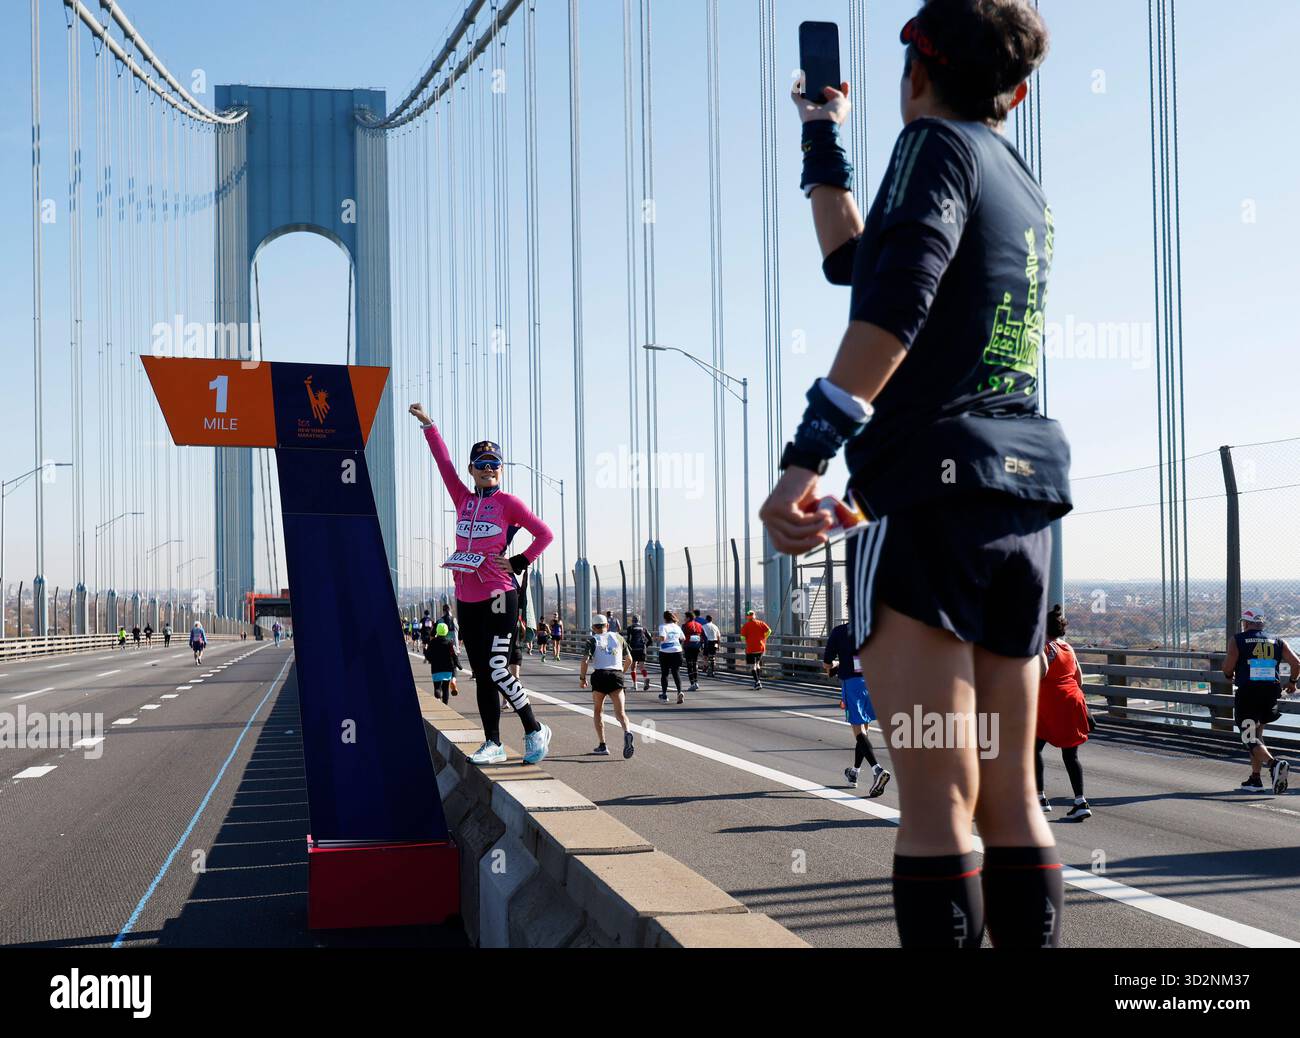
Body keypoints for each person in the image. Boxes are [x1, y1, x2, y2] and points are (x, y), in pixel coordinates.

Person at [760, 0, 1072, 948]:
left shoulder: (933, 146)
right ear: (1015, 91)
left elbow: (891, 306)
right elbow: (859, 260)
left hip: (926, 495)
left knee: (936, 805)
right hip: (1020, 509)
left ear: (916, 72)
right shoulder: (1018, 182)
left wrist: (804, 460)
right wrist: (822, 138)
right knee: (1010, 794)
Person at [410, 403, 554, 766]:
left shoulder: (509, 503)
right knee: (481, 673)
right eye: (481, 464)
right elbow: (443, 464)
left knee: (497, 668)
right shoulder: (462, 499)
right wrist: (430, 426)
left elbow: (544, 534)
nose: (488, 470)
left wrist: (521, 561)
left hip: (500, 596)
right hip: (466, 599)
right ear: (471, 470)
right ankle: (494, 743)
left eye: (494, 465)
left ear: (501, 470)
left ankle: (534, 728)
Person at [1222, 609, 1295, 794]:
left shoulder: (1237, 639)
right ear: (1262, 623)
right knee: (1257, 733)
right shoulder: (1278, 641)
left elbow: (1228, 667)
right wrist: (1292, 682)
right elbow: (1297, 663)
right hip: (1270, 692)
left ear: (1246, 623)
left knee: (1248, 735)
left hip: (1248, 693)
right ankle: (1255, 779)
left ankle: (1274, 764)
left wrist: (1229, 674)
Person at [825, 621, 891, 797]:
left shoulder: (839, 631)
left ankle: (878, 770)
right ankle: (854, 772)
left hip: (852, 683)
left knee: (857, 729)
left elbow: (827, 662)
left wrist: (832, 668)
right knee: (865, 729)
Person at [580, 615, 636, 759]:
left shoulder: (593, 640)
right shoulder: (618, 637)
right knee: (620, 713)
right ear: (607, 625)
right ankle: (627, 731)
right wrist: (621, 672)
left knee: (598, 711)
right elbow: (630, 659)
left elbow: (585, 660)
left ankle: (603, 745)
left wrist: (582, 678)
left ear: (593, 627)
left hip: (599, 676)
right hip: (616, 675)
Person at [424, 622, 459, 705]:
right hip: (447, 669)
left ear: (437, 631)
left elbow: (428, 656)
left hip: (436, 669)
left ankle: (438, 696)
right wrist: (457, 664)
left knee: (437, 687)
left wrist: (427, 654)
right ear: (446, 631)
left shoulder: (432, 642)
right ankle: (445, 704)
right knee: (445, 688)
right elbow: (454, 655)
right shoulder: (449, 642)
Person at [657, 611, 686, 704]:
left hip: (665, 652)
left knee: (664, 673)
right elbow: (683, 638)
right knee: (676, 672)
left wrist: (656, 638)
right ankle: (679, 692)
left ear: (665, 618)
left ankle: (664, 695)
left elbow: (662, 638)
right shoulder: (677, 627)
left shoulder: (663, 627)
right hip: (677, 651)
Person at [740, 611, 771, 690]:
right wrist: (764, 637)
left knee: (752, 666)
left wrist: (746, 641)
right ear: (754, 616)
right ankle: (758, 680)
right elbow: (769, 631)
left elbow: (742, 638)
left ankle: (757, 682)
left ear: (747, 617)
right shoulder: (761, 623)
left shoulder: (746, 626)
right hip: (760, 648)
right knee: (757, 664)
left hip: (751, 648)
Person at [625, 615, 651, 691]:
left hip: (634, 649)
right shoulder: (644, 628)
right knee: (642, 667)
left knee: (633, 667)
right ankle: (645, 678)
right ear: (639, 620)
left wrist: (627, 649)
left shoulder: (630, 628)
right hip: (642, 649)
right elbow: (650, 640)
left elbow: (628, 640)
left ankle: (635, 685)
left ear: (632, 621)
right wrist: (645, 646)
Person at [682, 610, 705, 692]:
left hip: (688, 646)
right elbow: (703, 636)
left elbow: (682, 636)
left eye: (685, 617)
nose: (684, 619)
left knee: (689, 665)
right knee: (695, 664)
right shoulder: (699, 625)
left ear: (688, 618)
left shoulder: (685, 625)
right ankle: (696, 682)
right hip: (697, 646)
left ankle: (692, 683)